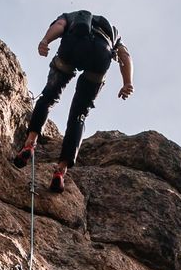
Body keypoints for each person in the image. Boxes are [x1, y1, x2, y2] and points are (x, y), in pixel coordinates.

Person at [13, 10, 133, 192]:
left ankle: (30, 143)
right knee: (79, 115)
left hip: (72, 46)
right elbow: (125, 56)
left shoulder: (71, 16)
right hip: (101, 53)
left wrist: (45, 41)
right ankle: (60, 171)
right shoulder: (113, 32)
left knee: (49, 97)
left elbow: (59, 26)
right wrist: (127, 83)